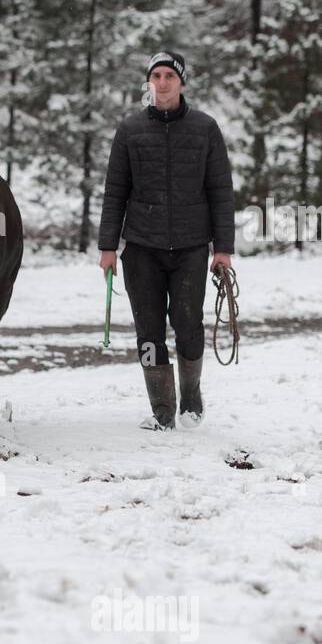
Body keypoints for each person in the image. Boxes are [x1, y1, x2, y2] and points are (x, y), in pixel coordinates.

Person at [97, 50, 235, 430]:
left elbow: (221, 191)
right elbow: (115, 191)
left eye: (168, 76)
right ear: (148, 82)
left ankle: (191, 397)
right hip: (141, 247)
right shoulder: (130, 130)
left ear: (182, 82)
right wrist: (108, 246)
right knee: (149, 329)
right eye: (155, 76)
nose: (161, 83)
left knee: (189, 324)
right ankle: (161, 410)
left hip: (191, 247)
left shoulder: (205, 129)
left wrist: (222, 249)